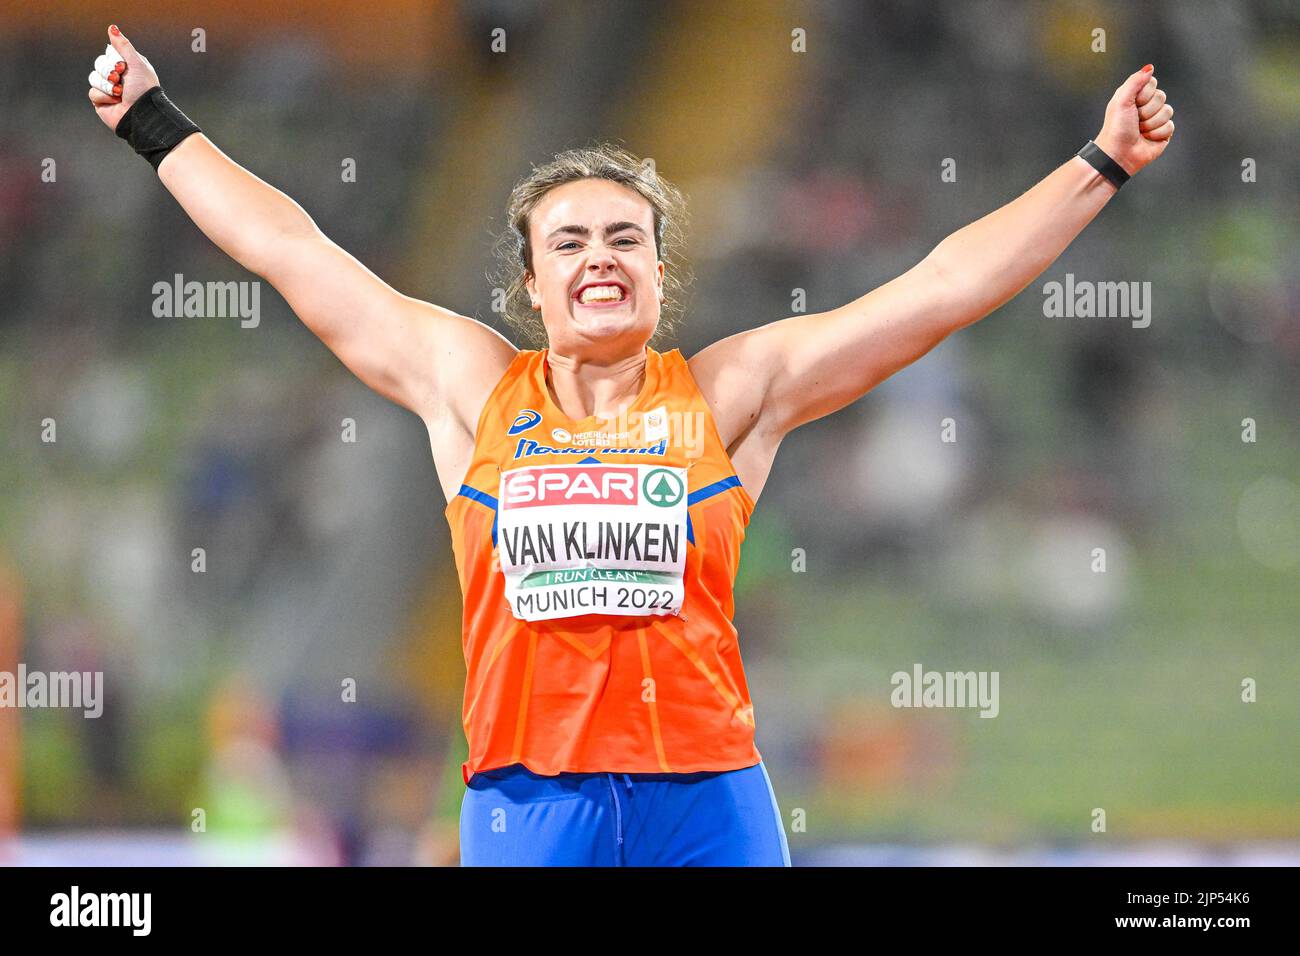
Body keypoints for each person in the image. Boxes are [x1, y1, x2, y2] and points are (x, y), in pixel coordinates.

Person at [87, 24, 1174, 866]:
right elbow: (294, 250)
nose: (600, 256)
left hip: (707, 792)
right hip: (529, 795)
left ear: (660, 273)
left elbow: (936, 289)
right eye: (569, 241)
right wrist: (153, 123)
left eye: (626, 238)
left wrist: (1100, 162)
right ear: (530, 281)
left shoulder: (731, 389)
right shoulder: (471, 387)